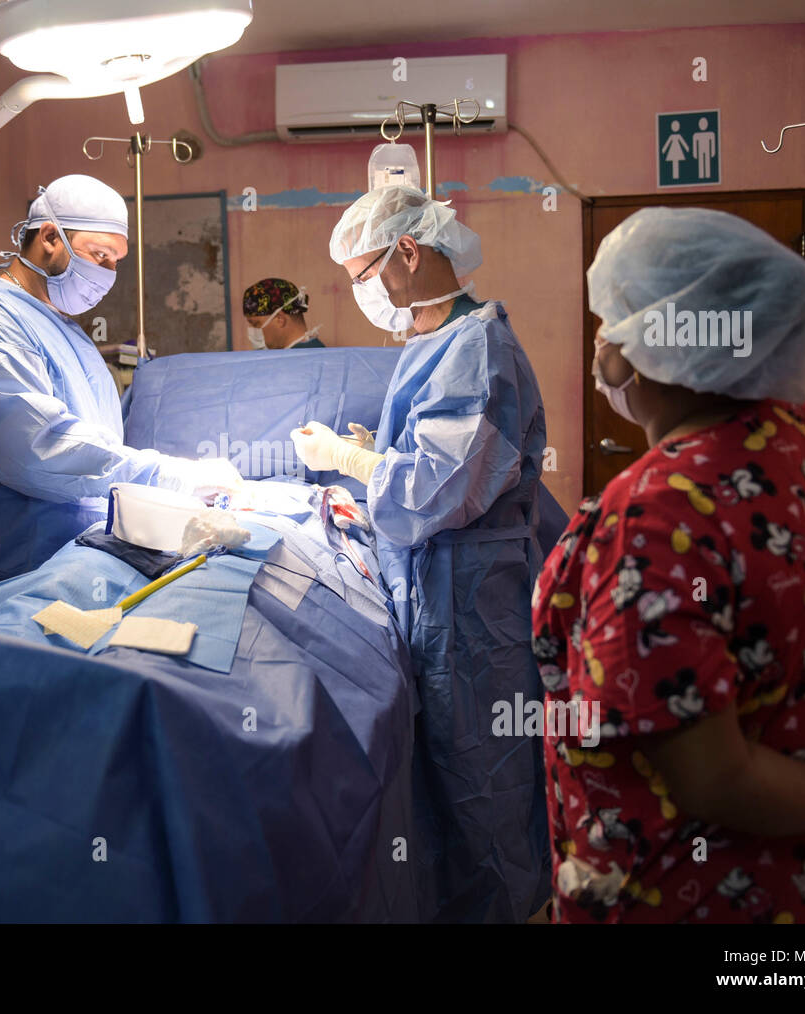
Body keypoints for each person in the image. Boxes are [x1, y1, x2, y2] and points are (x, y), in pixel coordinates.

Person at [532, 206, 805, 923]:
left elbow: (714, 782)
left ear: (644, 347)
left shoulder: (657, 511)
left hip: (695, 893)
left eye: (610, 321)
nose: (600, 343)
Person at [290, 185, 551, 922]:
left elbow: (441, 490)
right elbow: (431, 463)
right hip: (439, 592)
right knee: (448, 778)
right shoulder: (435, 342)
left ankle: (516, 910)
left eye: (364, 274)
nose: (361, 293)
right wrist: (378, 455)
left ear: (408, 251)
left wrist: (350, 458)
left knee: (487, 781)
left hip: (474, 603)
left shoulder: (479, 346)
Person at [0, 175, 241, 624]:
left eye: (116, 261)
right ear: (50, 237)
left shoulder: (68, 331)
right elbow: (40, 447)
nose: (108, 274)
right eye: (99, 256)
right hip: (20, 573)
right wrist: (168, 475)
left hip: (88, 561)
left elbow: (99, 439)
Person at [242, 278, 324, 349]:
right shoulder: (311, 352)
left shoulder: (302, 360)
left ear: (280, 319)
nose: (251, 332)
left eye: (256, 324)